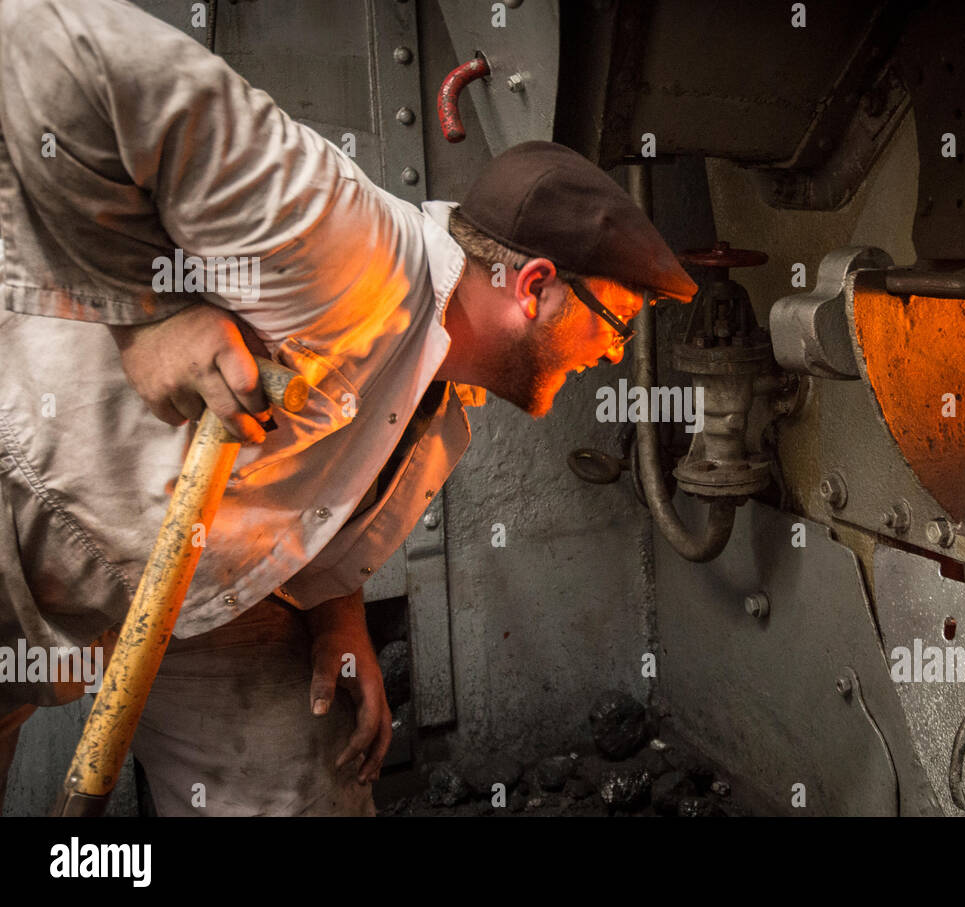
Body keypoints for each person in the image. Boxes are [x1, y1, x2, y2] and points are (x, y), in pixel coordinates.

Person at [0, 0, 696, 815]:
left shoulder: (444, 395)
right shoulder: (341, 239)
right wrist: (147, 312)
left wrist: (340, 617)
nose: (613, 352)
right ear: (535, 286)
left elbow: (322, 483)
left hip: (189, 573)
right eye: (613, 321)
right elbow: (43, 41)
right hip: (27, 510)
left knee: (303, 786)